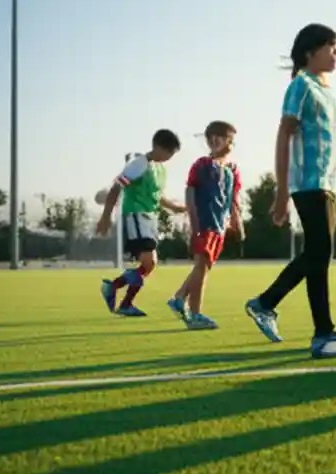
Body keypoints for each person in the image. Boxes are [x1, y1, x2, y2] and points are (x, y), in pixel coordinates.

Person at [244, 23, 336, 359]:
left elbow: (335, 142)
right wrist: (281, 191)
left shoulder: (326, 92)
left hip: (326, 184)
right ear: (310, 51)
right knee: (319, 253)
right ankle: (322, 332)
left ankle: (267, 304)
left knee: (318, 254)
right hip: (307, 183)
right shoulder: (300, 86)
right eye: (331, 49)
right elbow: (284, 135)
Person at [96, 129, 186, 316]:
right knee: (149, 262)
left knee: (149, 265)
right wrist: (105, 217)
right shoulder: (139, 164)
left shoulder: (160, 169)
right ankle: (119, 296)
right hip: (135, 216)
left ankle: (117, 293)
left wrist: (176, 208)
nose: (170, 157)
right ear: (158, 147)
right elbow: (116, 188)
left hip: (150, 219)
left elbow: (157, 196)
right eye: (169, 153)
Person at [166, 121, 242, 330]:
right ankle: (196, 313)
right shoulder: (202, 165)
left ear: (230, 141)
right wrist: (194, 220)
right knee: (202, 264)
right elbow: (190, 191)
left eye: (219, 136)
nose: (213, 140)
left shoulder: (232, 170)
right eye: (210, 137)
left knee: (205, 266)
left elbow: (233, 198)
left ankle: (179, 298)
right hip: (204, 221)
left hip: (220, 226)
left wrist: (237, 221)